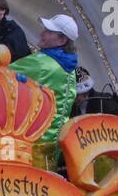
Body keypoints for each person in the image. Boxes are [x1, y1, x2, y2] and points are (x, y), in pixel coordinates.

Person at [10, 14, 79, 143]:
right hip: (55, 141)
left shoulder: (40, 63)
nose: (42, 33)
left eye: (49, 31)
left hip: (33, 142)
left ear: (62, 40)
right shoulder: (69, 65)